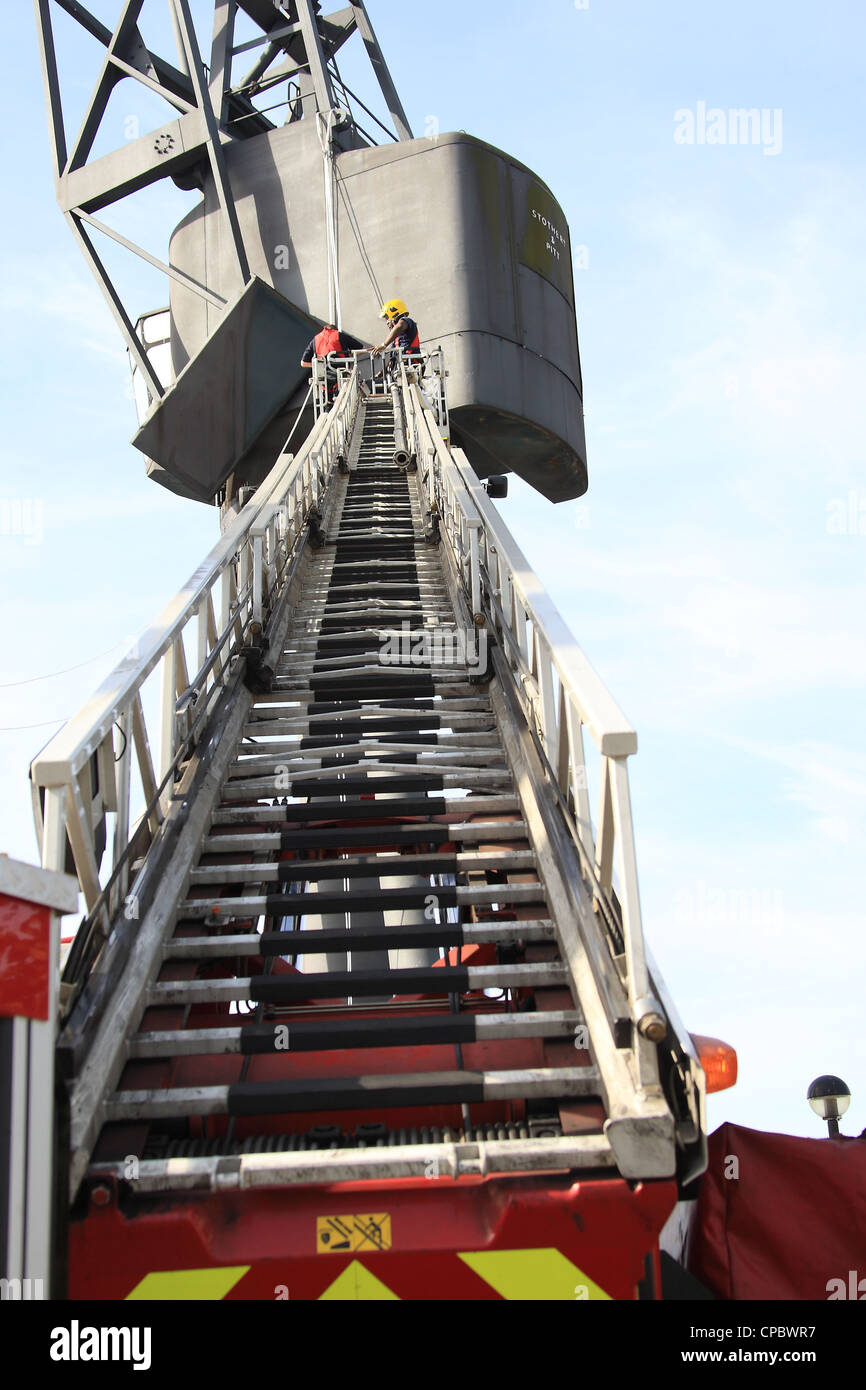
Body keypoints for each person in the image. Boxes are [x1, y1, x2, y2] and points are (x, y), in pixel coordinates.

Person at [301, 322, 365, 402]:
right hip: (342, 377)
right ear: (335, 330)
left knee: (326, 404)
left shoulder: (316, 339)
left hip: (324, 379)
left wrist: (319, 365)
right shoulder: (340, 335)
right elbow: (362, 349)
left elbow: (303, 363)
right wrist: (349, 358)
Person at [373, 298, 421, 364]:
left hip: (412, 364)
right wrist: (382, 372)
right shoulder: (395, 336)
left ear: (393, 313)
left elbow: (400, 326)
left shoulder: (406, 321)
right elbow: (393, 357)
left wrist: (384, 345)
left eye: (387, 318)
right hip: (402, 366)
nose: (387, 322)